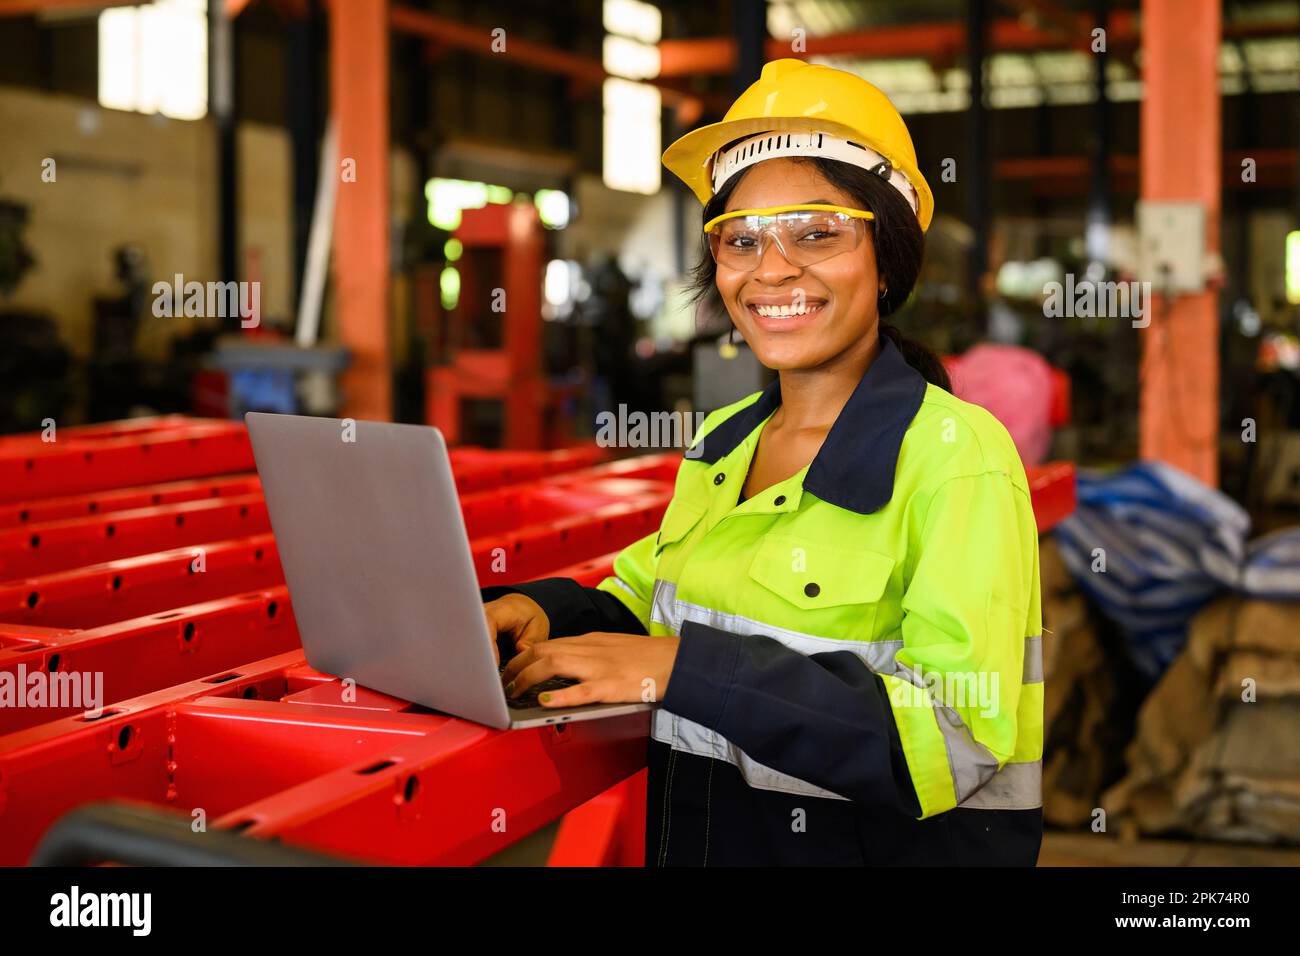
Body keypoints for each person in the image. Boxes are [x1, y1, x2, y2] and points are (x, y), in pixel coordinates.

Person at [483, 59, 1044, 866]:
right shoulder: (724, 443)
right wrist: (550, 615)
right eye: (740, 240)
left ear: (886, 257)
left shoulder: (955, 459)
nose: (771, 269)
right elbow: (657, 600)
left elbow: (954, 736)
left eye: (816, 231)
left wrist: (688, 671)